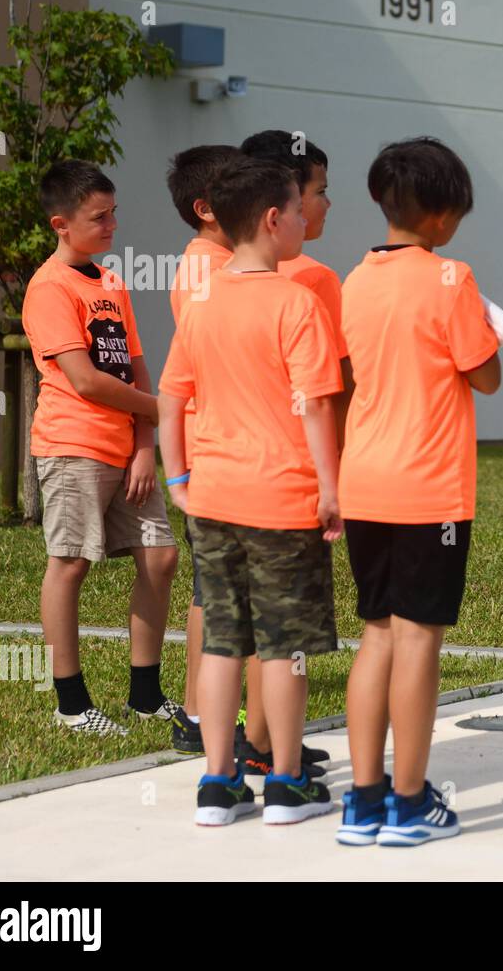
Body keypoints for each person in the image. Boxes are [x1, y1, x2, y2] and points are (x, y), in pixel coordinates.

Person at [158, 156, 343, 826]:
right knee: (283, 645)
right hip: (282, 499)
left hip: (213, 495)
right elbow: (316, 406)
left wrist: (178, 478)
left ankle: (218, 784)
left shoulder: (202, 300)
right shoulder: (297, 302)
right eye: (296, 209)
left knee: (223, 641)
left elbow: (172, 397)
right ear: (271, 220)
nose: (303, 220)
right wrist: (331, 488)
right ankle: (286, 783)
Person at [335, 137, 501, 846]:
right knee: (418, 642)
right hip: (429, 489)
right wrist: (486, 325)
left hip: (363, 481)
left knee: (375, 636)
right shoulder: (452, 278)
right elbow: (485, 375)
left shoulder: (353, 280)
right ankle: (409, 803)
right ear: (440, 215)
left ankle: (363, 800)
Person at [21, 160, 179, 736]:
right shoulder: (49, 288)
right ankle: (71, 703)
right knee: (71, 564)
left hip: (124, 447)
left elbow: (135, 367)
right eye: (99, 217)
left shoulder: (111, 283)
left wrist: (145, 443)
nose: (113, 225)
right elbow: (85, 381)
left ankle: (145, 696)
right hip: (73, 445)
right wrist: (162, 409)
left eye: (114, 213)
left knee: (160, 556)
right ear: (61, 224)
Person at [163, 143, 240, 755]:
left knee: (211, 588)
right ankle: (199, 714)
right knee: (215, 592)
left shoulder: (217, 262)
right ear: (206, 209)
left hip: (216, 444)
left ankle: (197, 714)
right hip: (216, 447)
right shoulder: (206, 270)